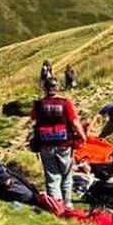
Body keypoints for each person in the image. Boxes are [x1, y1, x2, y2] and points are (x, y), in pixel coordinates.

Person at [30, 78, 84, 206]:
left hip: (45, 144)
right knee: (66, 174)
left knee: (52, 176)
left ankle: (56, 205)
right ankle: (67, 203)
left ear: (44, 88)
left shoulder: (38, 104)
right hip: (64, 143)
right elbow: (75, 123)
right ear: (57, 88)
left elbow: (33, 120)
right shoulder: (66, 103)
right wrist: (82, 137)